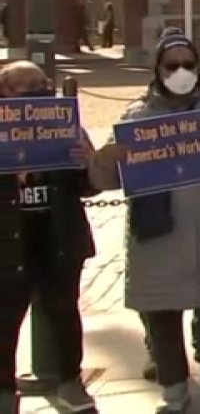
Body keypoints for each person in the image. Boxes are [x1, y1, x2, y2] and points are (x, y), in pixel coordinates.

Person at [89, 28, 200, 413]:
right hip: (157, 234)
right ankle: (174, 387)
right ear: (158, 69)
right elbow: (107, 181)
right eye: (173, 65)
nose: (181, 71)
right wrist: (106, 159)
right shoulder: (137, 114)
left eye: (188, 64)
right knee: (162, 316)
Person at [0, 62, 98, 413]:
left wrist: (89, 162)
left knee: (64, 311)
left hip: (59, 236)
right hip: (9, 240)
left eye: (40, 83)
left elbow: (90, 187)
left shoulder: (64, 125)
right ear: (5, 92)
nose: (34, 90)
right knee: (5, 317)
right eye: (22, 86)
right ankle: (4, 390)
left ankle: (70, 382)